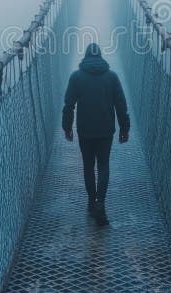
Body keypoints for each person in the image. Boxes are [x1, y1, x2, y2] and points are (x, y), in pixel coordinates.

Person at [62, 42, 130, 226]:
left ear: (85, 56)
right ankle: (101, 203)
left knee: (88, 165)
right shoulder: (112, 77)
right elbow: (121, 105)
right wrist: (124, 128)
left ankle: (92, 202)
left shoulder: (76, 77)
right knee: (103, 165)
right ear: (100, 56)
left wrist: (67, 127)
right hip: (105, 130)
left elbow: (68, 105)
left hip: (85, 130)